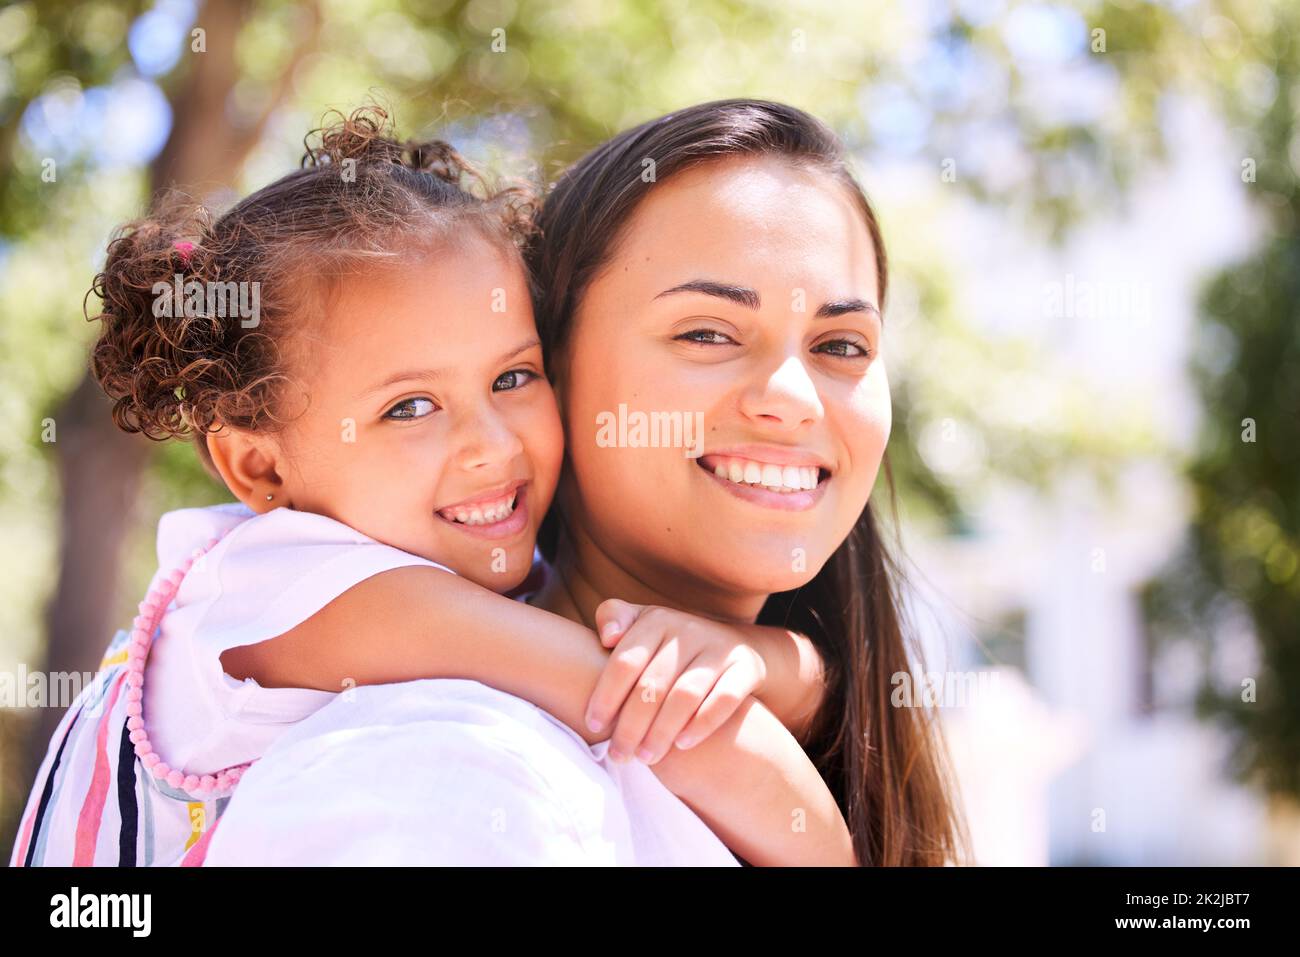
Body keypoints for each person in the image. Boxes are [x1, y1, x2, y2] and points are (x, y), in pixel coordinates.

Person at [10, 105, 856, 868]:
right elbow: (633, 701)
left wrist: (769, 657)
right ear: (259, 467)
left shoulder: (469, 587)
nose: (492, 446)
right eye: (410, 406)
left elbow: (764, 685)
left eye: (514, 378)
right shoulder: (285, 587)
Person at [205, 99, 971, 866]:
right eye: (705, 332)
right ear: (556, 366)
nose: (794, 398)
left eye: (841, 343)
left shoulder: (814, 709)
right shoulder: (458, 779)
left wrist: (766, 665)